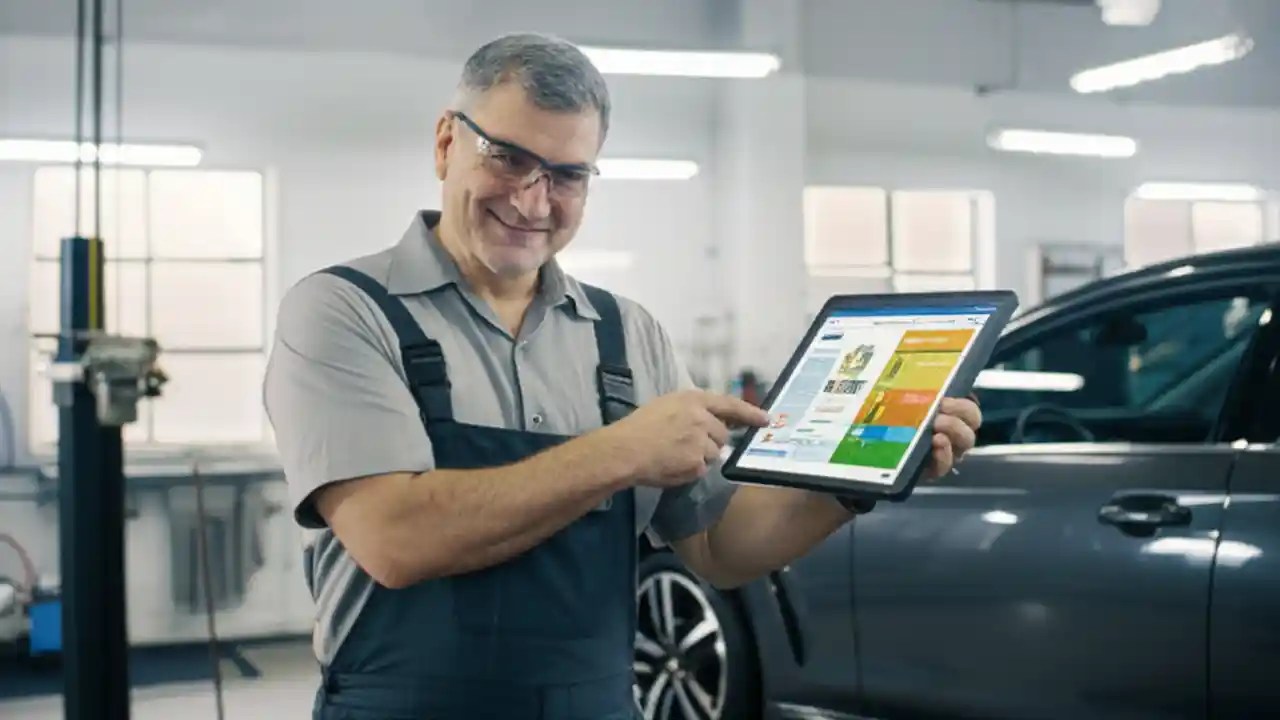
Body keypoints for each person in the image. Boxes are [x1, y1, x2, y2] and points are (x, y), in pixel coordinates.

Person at [263, 32, 982, 720]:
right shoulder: (344, 312)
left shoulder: (627, 335)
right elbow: (395, 539)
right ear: (447, 143)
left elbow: (720, 545)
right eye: (508, 158)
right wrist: (622, 450)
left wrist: (855, 477)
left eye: (567, 175)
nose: (533, 199)